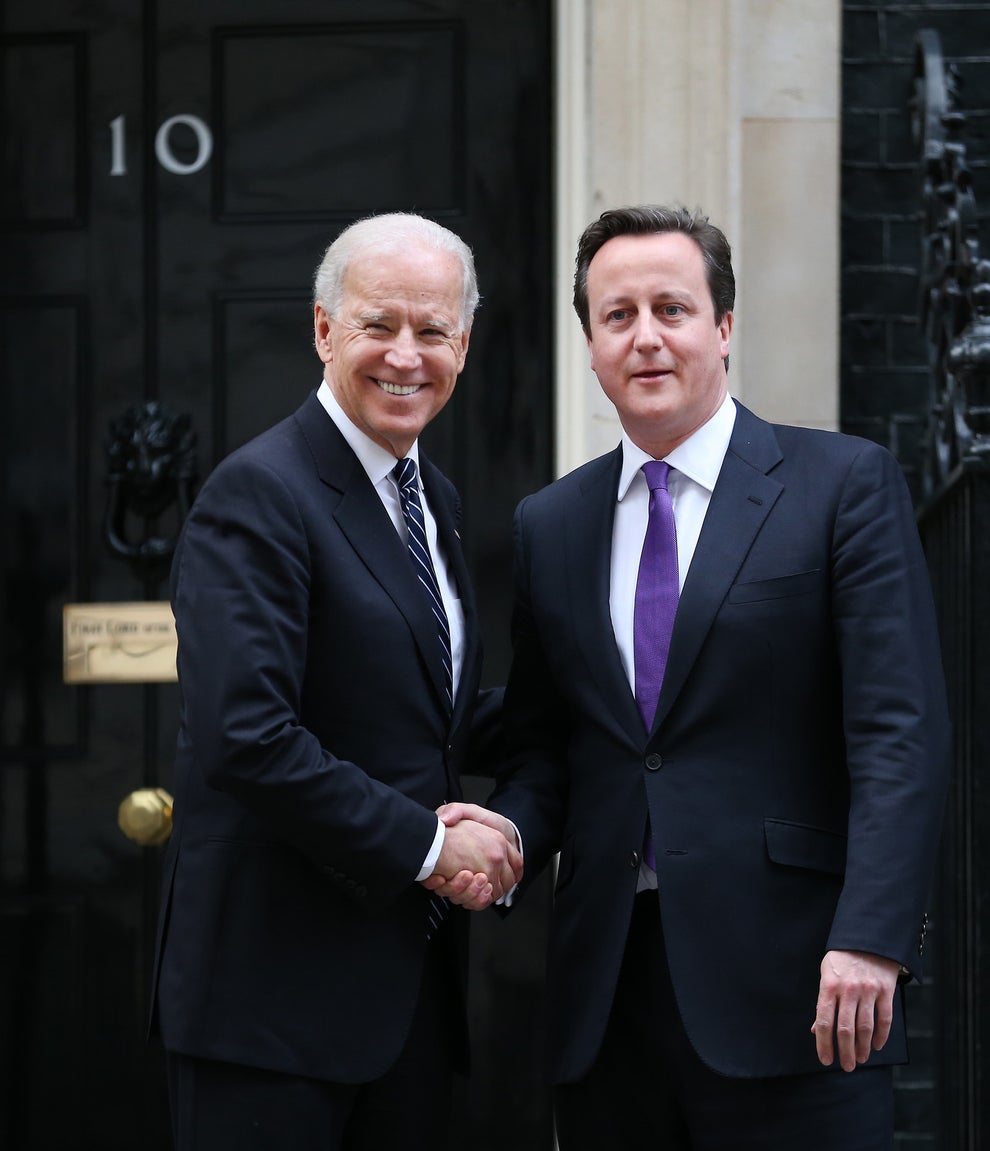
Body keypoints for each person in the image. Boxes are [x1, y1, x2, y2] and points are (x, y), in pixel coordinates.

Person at [435, 205, 950, 1149]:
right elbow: (550, 744)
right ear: (591, 345)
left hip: (802, 989)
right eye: (617, 315)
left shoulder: (843, 485)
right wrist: (506, 831)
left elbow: (898, 734)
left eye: (671, 308)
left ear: (722, 327)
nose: (646, 337)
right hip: (608, 1001)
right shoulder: (551, 523)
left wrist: (872, 936)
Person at [150, 212, 521, 1151]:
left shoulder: (432, 499)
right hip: (269, 1008)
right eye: (378, 324)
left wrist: (618, 710)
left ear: (464, 346)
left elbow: (421, 715)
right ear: (324, 330)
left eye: (433, 330)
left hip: (403, 999)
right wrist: (431, 848)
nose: (406, 355)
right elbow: (248, 736)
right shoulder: (260, 493)